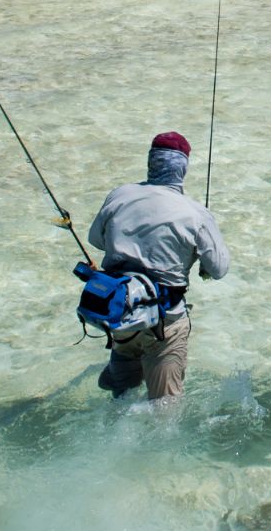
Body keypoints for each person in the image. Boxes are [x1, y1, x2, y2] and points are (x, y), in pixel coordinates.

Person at [87, 131, 230, 403]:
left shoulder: (119, 195)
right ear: (183, 169)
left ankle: (119, 382)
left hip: (121, 312)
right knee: (164, 408)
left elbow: (95, 239)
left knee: (123, 396)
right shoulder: (195, 213)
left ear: (151, 162)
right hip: (165, 321)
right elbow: (219, 269)